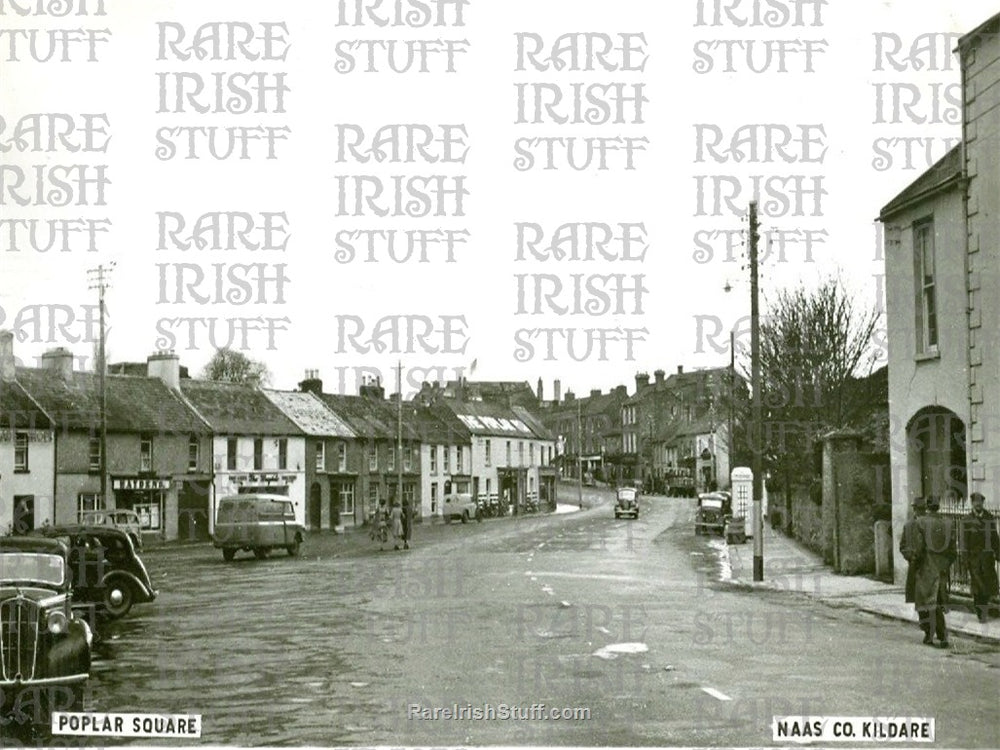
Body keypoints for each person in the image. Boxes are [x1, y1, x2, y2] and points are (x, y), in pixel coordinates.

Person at [913, 496, 957, 647]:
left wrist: (916, 564)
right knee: (938, 602)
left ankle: (930, 634)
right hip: (942, 568)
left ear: (927, 506)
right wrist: (945, 564)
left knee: (926, 603)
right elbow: (953, 551)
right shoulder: (948, 523)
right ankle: (942, 636)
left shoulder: (921, 522)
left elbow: (918, 549)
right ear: (938, 506)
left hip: (926, 567)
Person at [963, 492, 999, 622]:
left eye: (980, 502)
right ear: (972, 504)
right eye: (975, 502)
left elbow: (995, 538)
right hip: (974, 560)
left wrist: (998, 553)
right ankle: (981, 614)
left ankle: (983, 608)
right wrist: (965, 561)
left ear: (983, 503)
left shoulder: (989, 518)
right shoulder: (967, 520)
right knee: (978, 587)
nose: (978, 505)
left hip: (987, 558)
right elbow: (964, 543)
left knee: (987, 586)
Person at [899, 496, 927, 625]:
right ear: (914, 510)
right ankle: (925, 626)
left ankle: (931, 627)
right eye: (917, 509)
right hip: (915, 567)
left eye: (922, 509)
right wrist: (910, 556)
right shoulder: (909, 526)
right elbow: (903, 546)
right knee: (919, 599)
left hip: (929, 567)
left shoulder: (929, 524)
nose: (919, 512)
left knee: (932, 600)